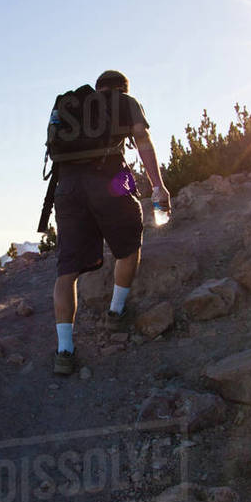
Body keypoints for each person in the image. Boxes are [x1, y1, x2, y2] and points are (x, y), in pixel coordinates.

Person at [51, 69, 169, 376]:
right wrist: (158, 185)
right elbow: (141, 138)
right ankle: (116, 312)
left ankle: (64, 350)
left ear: (98, 87)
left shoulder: (73, 107)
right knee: (130, 242)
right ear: (122, 89)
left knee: (67, 270)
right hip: (114, 176)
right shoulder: (125, 102)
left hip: (66, 187)